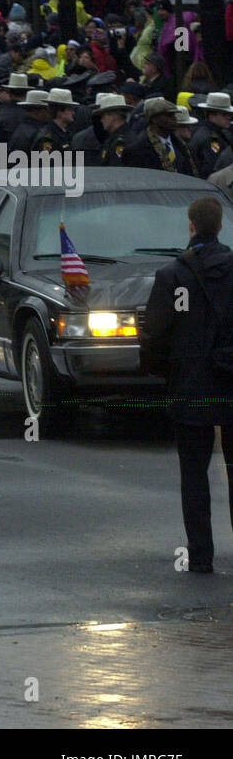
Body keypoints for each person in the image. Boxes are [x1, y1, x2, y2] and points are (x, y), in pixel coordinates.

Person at [139, 196, 233, 574]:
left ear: (191, 227)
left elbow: (156, 334)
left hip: (190, 382)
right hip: (230, 379)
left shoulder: (172, 276)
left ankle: (200, 556)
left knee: (194, 474)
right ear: (221, 226)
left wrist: (162, 373)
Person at [121, 98, 195, 175]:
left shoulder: (182, 145)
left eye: (174, 115)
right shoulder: (137, 149)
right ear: (154, 119)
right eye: (169, 115)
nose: (175, 119)